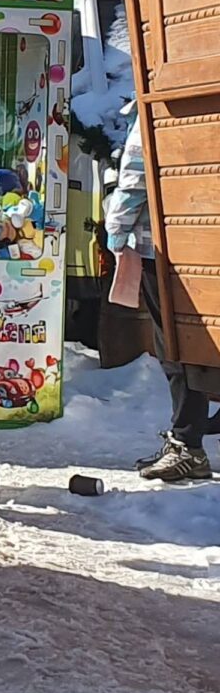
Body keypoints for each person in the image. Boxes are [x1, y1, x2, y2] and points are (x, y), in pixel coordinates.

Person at [105, 104, 220, 481]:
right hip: (200, 238)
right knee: (195, 346)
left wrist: (116, 230)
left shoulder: (159, 105)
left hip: (161, 243)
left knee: (175, 349)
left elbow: (136, 174)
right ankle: (189, 440)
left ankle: (187, 446)